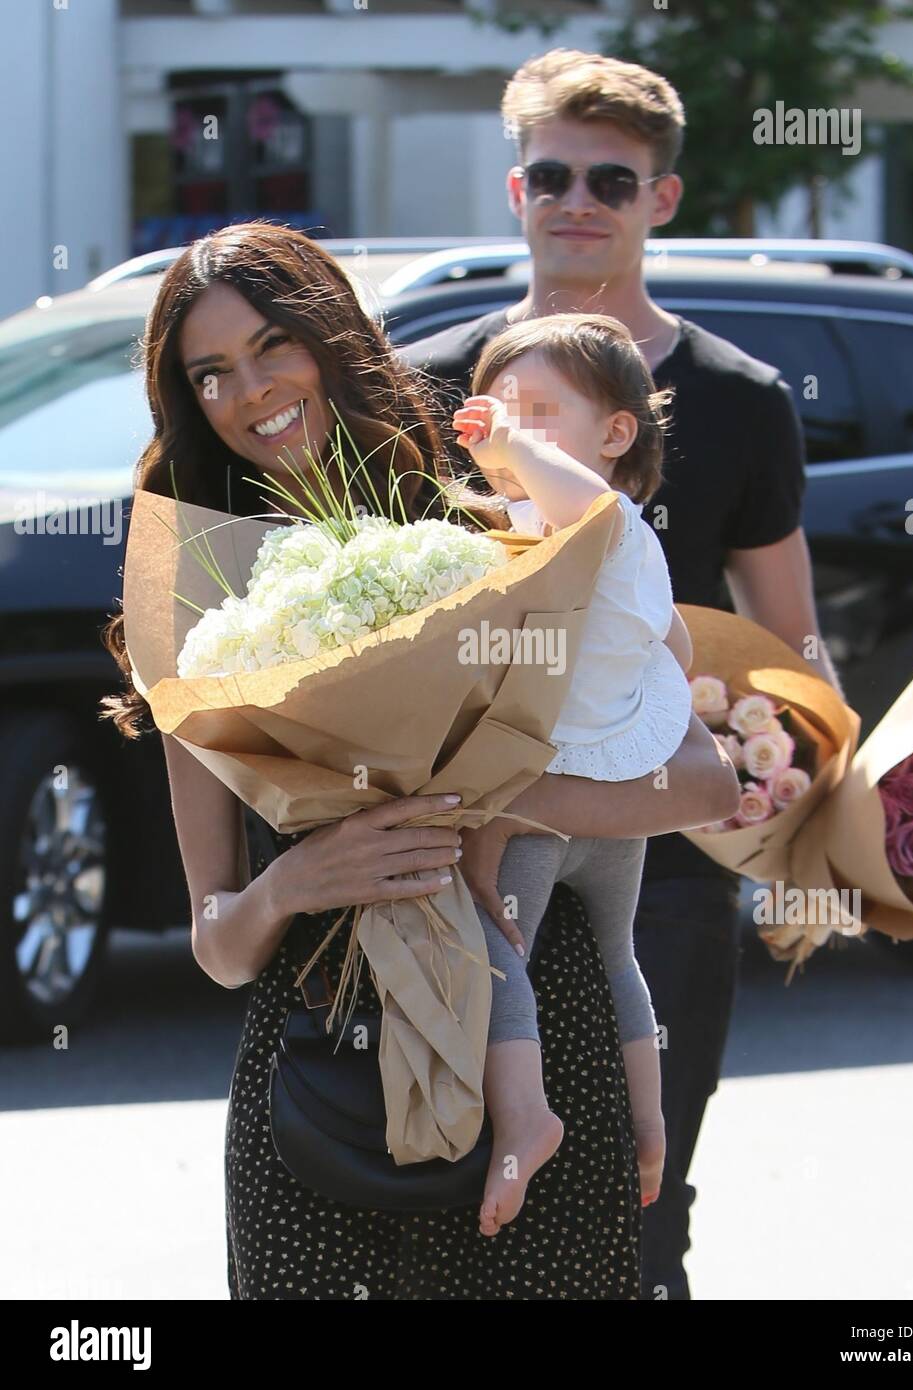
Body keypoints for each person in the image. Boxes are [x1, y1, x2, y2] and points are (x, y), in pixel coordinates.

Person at [99, 220, 736, 1300]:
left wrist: (492, 793)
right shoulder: (194, 598)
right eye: (211, 373)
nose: (249, 391)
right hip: (321, 1070)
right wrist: (294, 880)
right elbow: (216, 939)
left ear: (331, 338)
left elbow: (704, 782)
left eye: (272, 346)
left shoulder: (491, 529)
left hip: (540, 1041)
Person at [401, 49, 843, 1299]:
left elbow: (787, 643)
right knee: (454, 1208)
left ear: (663, 197)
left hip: (660, 849)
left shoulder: (741, 400)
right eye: (550, 172)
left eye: (611, 176)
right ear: (513, 188)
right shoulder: (432, 382)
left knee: (640, 1208)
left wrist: (807, 785)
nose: (576, 198)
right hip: (461, 843)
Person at [450, 312, 728, 1237]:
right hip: (615, 791)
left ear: (615, 436)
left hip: (543, 791)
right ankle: (647, 1129)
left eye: (542, 414)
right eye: (501, 408)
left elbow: (580, 507)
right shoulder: (591, 535)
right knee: (617, 959)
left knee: (491, 939)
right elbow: (673, 642)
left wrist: (515, 446)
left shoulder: (598, 522)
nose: (512, 430)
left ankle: (525, 1116)